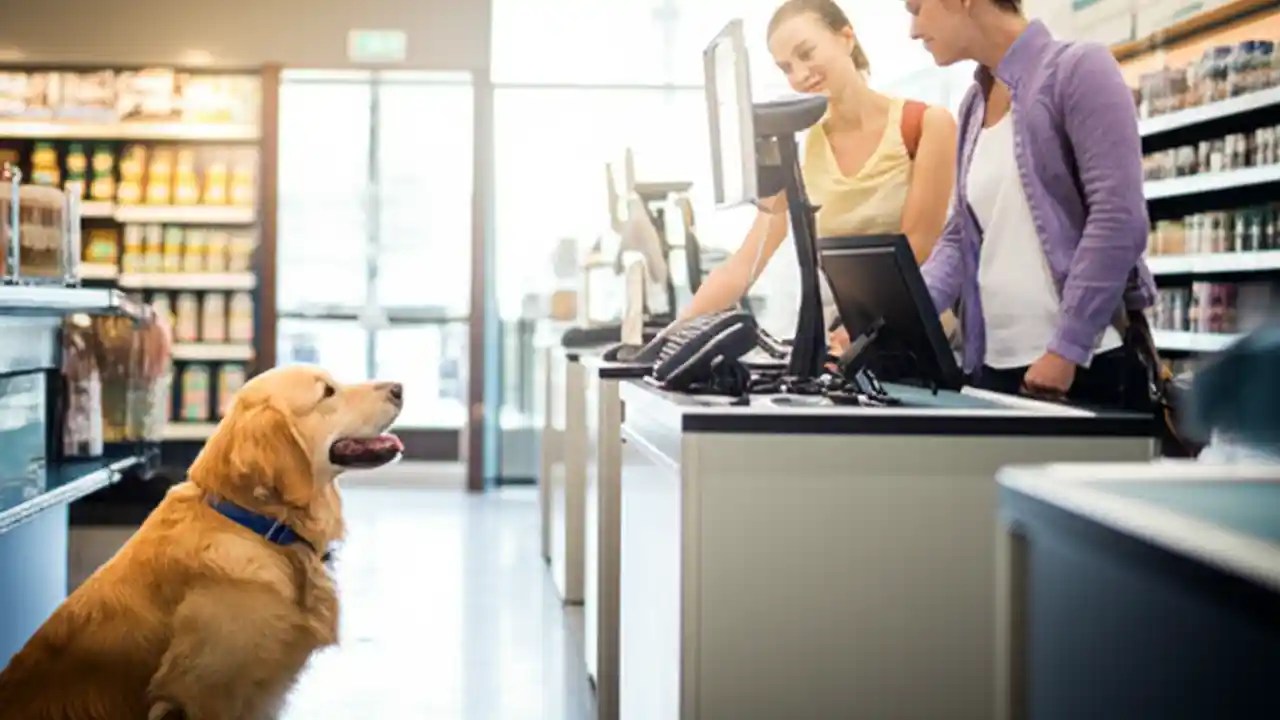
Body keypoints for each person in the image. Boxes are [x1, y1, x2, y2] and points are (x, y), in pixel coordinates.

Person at [907, 0, 1158, 408]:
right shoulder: (974, 104)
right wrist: (897, 318)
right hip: (993, 366)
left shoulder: (1079, 69)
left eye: (916, 7)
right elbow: (960, 236)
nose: (913, 30)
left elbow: (1119, 218)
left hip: (1080, 368)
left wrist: (1066, 349)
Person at [680, 0, 957, 354]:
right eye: (786, 68)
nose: (799, 75)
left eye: (807, 53)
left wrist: (856, 328)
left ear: (846, 38)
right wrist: (674, 333)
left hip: (915, 340)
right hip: (842, 343)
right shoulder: (798, 150)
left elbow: (917, 247)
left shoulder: (927, 125)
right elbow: (744, 263)